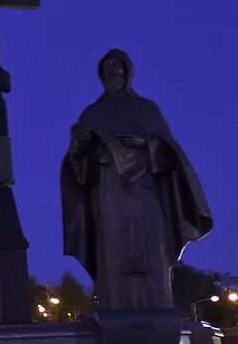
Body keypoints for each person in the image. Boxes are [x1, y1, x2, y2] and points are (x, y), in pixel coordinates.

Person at [61, 49, 212, 309]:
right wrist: (79, 145)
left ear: (127, 72)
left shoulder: (146, 109)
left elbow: (171, 151)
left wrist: (146, 143)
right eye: (107, 66)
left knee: (151, 246)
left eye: (117, 66)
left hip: (145, 190)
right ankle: (115, 305)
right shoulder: (92, 113)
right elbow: (78, 166)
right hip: (107, 190)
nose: (112, 71)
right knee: (113, 250)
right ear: (101, 74)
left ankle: (157, 304)